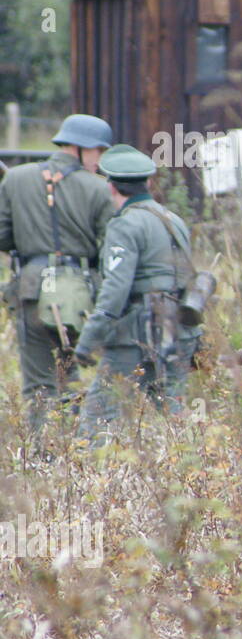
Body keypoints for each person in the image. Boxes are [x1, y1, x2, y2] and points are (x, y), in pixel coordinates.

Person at [73, 145, 202, 442]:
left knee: (99, 412)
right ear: (147, 183)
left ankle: (90, 471)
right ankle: (191, 470)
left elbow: (116, 289)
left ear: (111, 186)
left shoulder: (125, 224)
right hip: (178, 330)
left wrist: (88, 340)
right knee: (173, 411)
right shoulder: (173, 219)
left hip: (136, 331)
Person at [0, 114, 114, 431]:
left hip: (30, 289)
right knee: (69, 374)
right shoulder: (100, 189)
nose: (100, 160)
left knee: (38, 382)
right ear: (81, 148)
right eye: (99, 152)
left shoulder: (16, 179)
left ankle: (43, 454)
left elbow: (2, 236)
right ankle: (71, 449)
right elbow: (110, 246)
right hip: (80, 294)